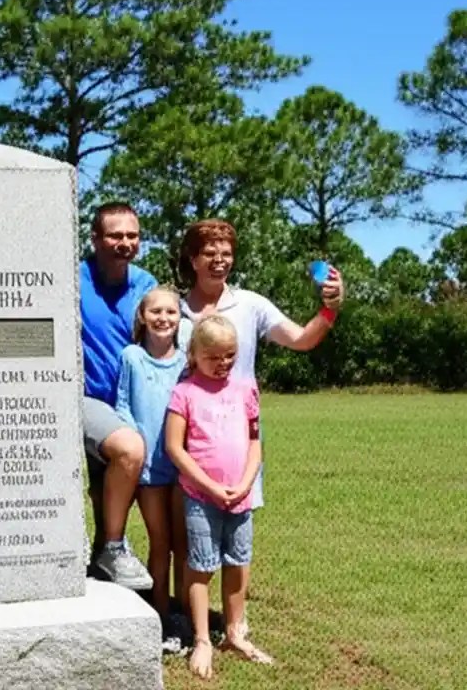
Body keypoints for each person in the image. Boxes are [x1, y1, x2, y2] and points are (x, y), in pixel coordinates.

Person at [174, 219, 344, 639]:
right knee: (187, 535)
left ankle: (235, 624)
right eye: (209, 253)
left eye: (226, 253)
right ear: (192, 259)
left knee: (238, 539)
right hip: (185, 436)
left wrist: (330, 309)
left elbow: (303, 339)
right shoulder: (172, 309)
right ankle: (184, 620)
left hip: (238, 441)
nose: (219, 260)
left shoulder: (251, 304)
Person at [165, 314, 272, 678]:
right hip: (200, 496)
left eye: (230, 356)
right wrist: (210, 487)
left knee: (238, 562)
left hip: (241, 496)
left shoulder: (245, 390)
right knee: (201, 565)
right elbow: (174, 448)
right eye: (214, 357)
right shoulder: (185, 393)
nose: (223, 364)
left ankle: (234, 632)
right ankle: (202, 640)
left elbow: (255, 442)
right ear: (194, 354)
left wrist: (245, 483)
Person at [80, 201, 156, 590]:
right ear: (95, 239)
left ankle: (103, 561)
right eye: (115, 235)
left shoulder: (146, 285)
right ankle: (113, 547)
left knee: (105, 488)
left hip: (134, 402)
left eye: (132, 235)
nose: (125, 242)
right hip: (86, 400)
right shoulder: (72, 279)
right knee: (128, 450)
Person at [113, 285, 187, 646]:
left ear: (180, 317)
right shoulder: (131, 357)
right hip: (149, 469)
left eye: (171, 312)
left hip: (184, 468)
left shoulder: (187, 360)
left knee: (183, 542)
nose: (163, 318)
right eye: (156, 311)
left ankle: (185, 612)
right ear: (143, 316)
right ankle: (159, 615)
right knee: (160, 541)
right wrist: (136, 443)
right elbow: (123, 404)